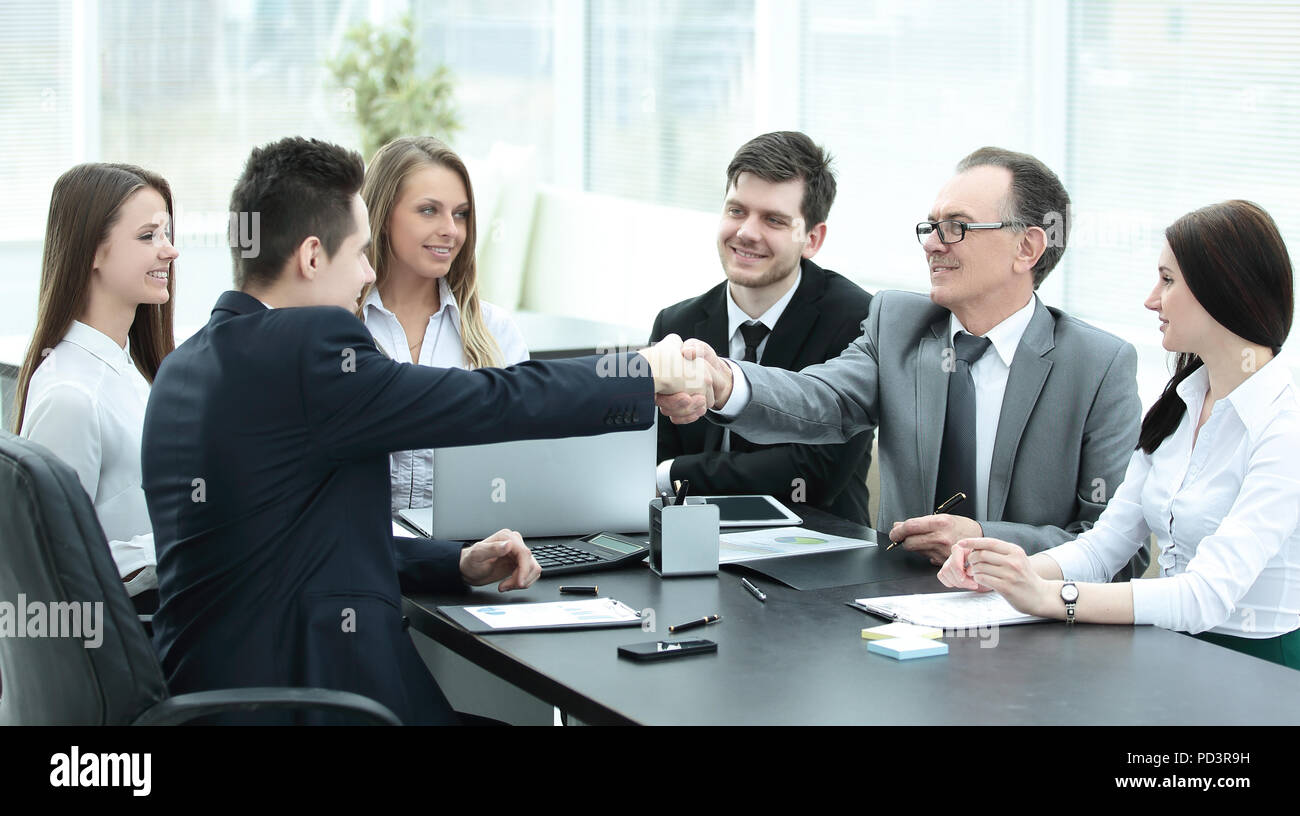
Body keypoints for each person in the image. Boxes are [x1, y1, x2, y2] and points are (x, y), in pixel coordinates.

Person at [141, 137, 707, 724]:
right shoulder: (311, 350)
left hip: (208, 699)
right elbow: (490, 400)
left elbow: (292, 544)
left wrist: (452, 564)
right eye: (360, 252)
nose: (366, 274)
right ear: (312, 256)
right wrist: (642, 371)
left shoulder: (184, 367)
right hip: (313, 702)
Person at [657, 147, 1148, 578]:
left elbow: (1119, 550)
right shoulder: (899, 323)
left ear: (1027, 248)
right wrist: (725, 382)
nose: (932, 242)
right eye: (931, 227)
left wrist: (985, 541)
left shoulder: (1099, 367)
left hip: (1034, 628)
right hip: (894, 604)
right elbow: (822, 399)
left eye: (956, 227)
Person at [939, 200, 1300, 669]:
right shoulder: (1180, 404)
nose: (1152, 299)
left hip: (1260, 669)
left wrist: (1053, 598)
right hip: (1171, 651)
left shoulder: (1285, 423)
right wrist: (1007, 570)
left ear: (1223, 290)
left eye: (1168, 280)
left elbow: (1204, 597)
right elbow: (1104, 546)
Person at [649, 132, 875, 524]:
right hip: (690, 541)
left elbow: (812, 472)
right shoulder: (677, 323)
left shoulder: (857, 319)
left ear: (812, 239)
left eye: (773, 219)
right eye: (736, 211)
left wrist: (671, 475)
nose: (747, 232)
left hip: (819, 553)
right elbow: (647, 451)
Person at [14, 163, 178, 614]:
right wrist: (181, 544)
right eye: (148, 236)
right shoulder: (71, 395)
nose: (170, 250)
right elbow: (49, 571)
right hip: (127, 654)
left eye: (165, 233)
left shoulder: (132, 371)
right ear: (93, 251)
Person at [358, 137, 529, 513]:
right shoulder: (339, 330)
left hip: (471, 554)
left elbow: (524, 469)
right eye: (428, 211)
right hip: (358, 559)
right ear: (383, 217)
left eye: (461, 213)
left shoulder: (494, 333)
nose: (451, 230)